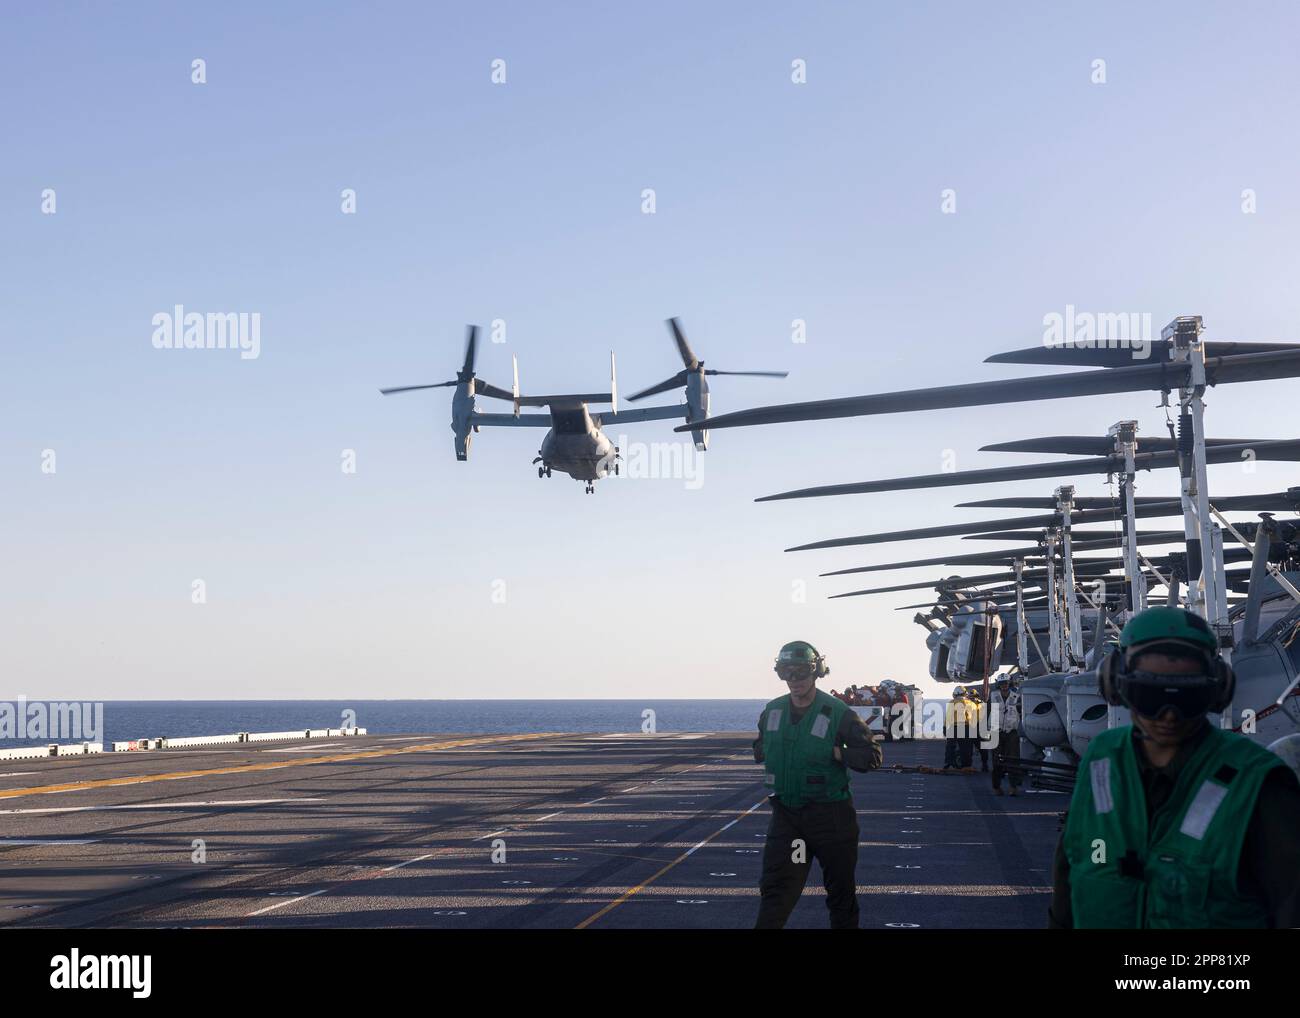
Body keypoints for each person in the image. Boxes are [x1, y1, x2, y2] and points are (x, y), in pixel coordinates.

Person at [1049, 606, 1300, 928]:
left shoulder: (1256, 781)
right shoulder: (1101, 759)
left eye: (1187, 698)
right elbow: (1070, 862)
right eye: (1150, 696)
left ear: (1216, 689)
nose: (1168, 715)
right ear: (1117, 685)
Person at [753, 640, 883, 929]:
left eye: (801, 672)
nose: (795, 680)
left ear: (816, 672)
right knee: (777, 890)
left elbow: (872, 756)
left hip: (830, 818)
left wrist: (838, 753)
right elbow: (760, 746)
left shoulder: (838, 713)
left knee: (840, 895)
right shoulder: (772, 712)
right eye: (788, 673)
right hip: (788, 818)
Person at [989, 675, 1022, 796]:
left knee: (1013, 760)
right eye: (1002, 683)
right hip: (996, 732)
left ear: (1010, 684)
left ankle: (1013, 787)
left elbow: (1021, 713)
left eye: (1006, 683)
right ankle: (996, 787)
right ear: (999, 684)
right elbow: (986, 712)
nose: (1004, 685)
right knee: (996, 760)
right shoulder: (992, 696)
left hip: (1011, 733)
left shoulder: (1016, 697)